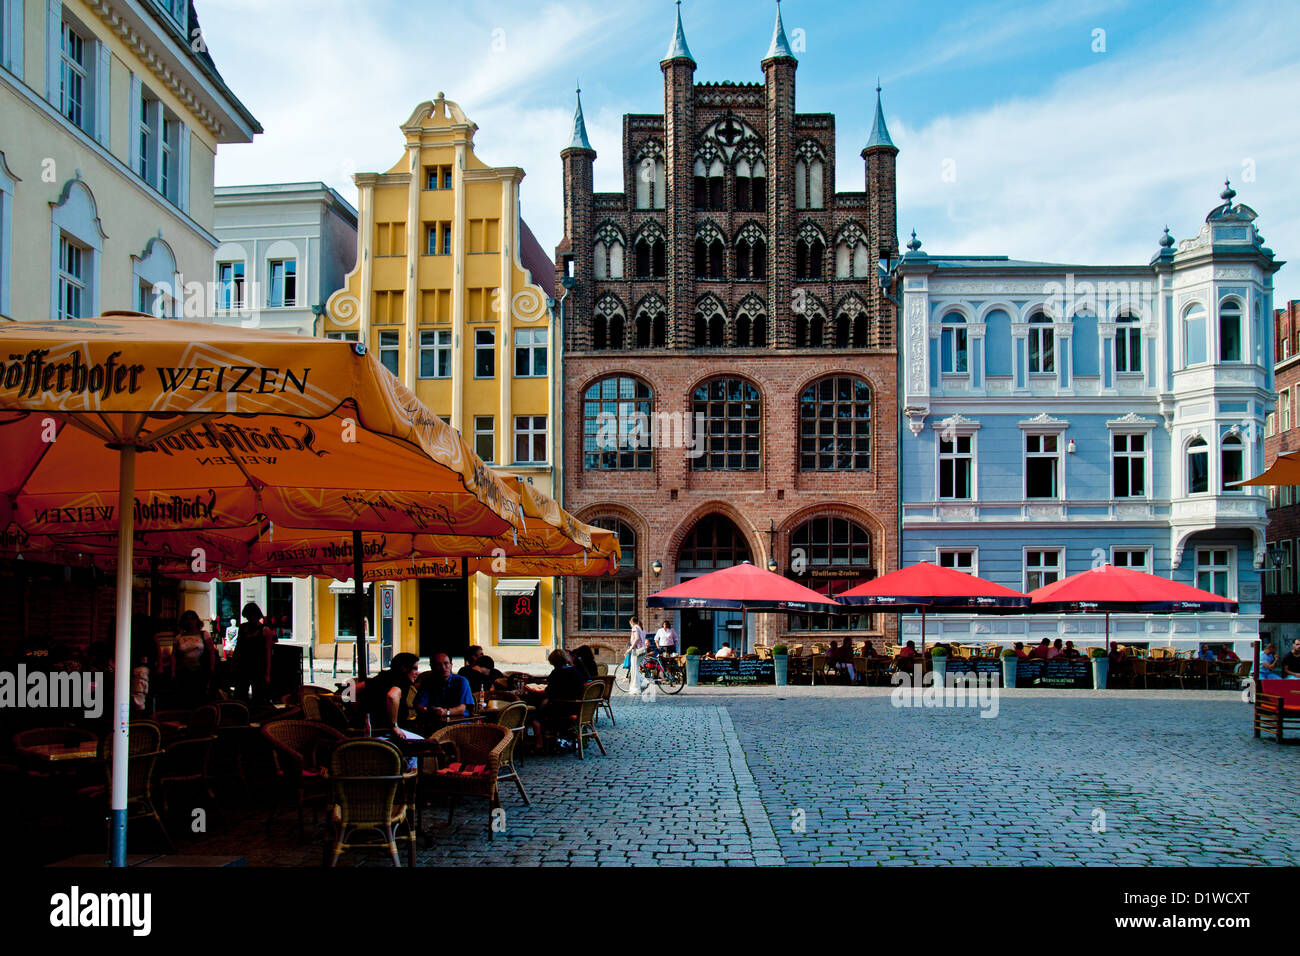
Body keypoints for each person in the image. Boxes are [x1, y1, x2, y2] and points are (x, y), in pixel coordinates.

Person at [530, 649, 587, 751]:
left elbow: (549, 692)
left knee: (535, 716)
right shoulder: (575, 672)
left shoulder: (556, 673)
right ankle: (554, 737)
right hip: (577, 707)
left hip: (560, 708)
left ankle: (539, 743)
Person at [362, 652, 422, 738]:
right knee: (425, 743)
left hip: (373, 730)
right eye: (415, 669)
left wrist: (356, 710)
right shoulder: (402, 681)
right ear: (404, 668)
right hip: (388, 734)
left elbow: (353, 688)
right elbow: (392, 696)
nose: (417, 672)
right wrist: (394, 726)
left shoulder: (383, 677)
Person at [233, 603, 276, 705]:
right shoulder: (242, 628)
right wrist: (234, 663)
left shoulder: (265, 630)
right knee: (240, 694)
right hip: (243, 665)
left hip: (258, 666)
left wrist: (267, 673)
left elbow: (267, 651)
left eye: (251, 615)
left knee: (258, 696)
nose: (249, 618)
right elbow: (238, 647)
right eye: (247, 616)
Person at [170, 610, 216, 707]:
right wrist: (173, 671)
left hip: (200, 670)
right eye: (187, 619)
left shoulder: (204, 635)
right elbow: (174, 655)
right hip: (184, 671)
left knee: (200, 697)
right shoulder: (179, 637)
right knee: (185, 697)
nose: (190, 621)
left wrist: (212, 667)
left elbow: (211, 652)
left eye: (192, 619)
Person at [414, 652, 474, 726]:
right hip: (434, 723)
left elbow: (462, 709)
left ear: (451, 665)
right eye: (438, 665)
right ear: (432, 667)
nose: (443, 667)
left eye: (446, 663)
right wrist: (429, 710)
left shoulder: (461, 681)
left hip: (458, 725)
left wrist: (445, 712)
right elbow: (418, 705)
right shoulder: (427, 681)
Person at [626, 616, 648, 693]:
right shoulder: (641, 628)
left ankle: (636, 688)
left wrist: (630, 648)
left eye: (630, 624)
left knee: (634, 670)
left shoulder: (635, 628)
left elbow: (637, 638)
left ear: (631, 622)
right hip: (643, 650)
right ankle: (643, 682)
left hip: (637, 651)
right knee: (635, 669)